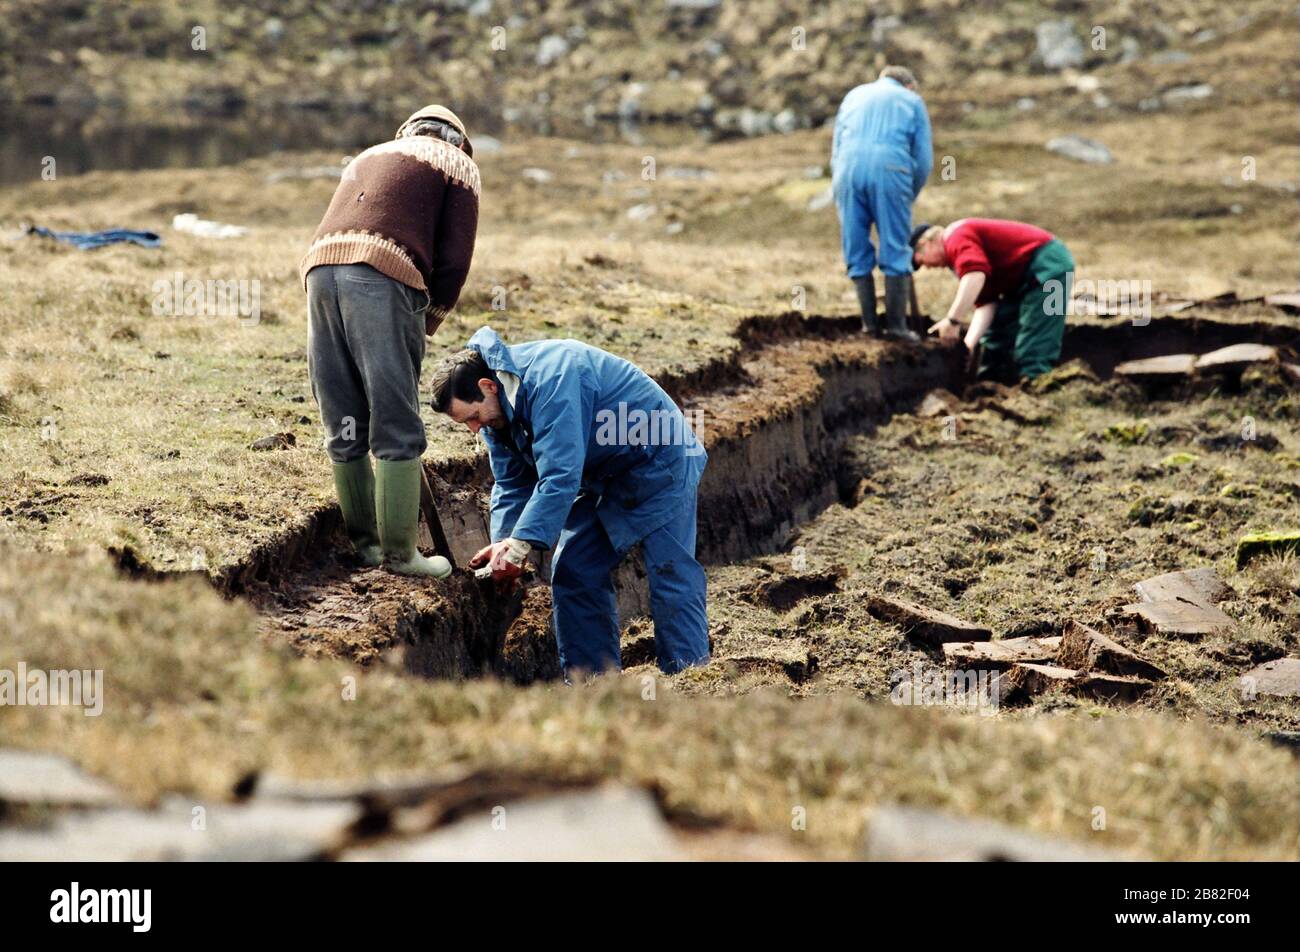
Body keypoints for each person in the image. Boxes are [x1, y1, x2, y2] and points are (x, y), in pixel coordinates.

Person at [429, 327, 710, 677]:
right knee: (575, 567)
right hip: (607, 474)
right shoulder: (498, 415)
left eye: (472, 417)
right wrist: (503, 544)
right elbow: (512, 483)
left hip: (660, 461)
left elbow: (560, 476)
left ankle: (688, 680)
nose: (474, 428)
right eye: (466, 423)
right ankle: (592, 684)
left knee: (670, 572)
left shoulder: (553, 379)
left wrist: (520, 548)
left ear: (488, 387)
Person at [300, 105, 479, 577]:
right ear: (459, 141)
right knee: (394, 408)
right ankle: (402, 555)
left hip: (319, 270)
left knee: (341, 410)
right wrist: (429, 319)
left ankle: (367, 546)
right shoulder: (456, 163)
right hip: (383, 274)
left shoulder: (372, 152)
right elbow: (456, 259)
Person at [831, 65, 933, 340]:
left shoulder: (853, 95)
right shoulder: (913, 101)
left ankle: (870, 326)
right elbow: (923, 161)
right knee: (895, 245)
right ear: (909, 85)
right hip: (890, 171)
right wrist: (907, 194)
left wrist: (839, 187)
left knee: (855, 243)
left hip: (846, 171)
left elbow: (836, 147)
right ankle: (897, 327)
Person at [911, 219, 1075, 382]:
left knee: (1037, 331)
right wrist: (968, 346)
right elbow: (986, 304)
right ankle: (992, 382)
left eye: (921, 260)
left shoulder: (955, 237)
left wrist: (953, 320)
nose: (926, 267)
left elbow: (975, 274)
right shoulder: (957, 253)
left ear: (927, 243)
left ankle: (1037, 384)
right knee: (998, 327)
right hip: (1023, 278)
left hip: (1048, 265)